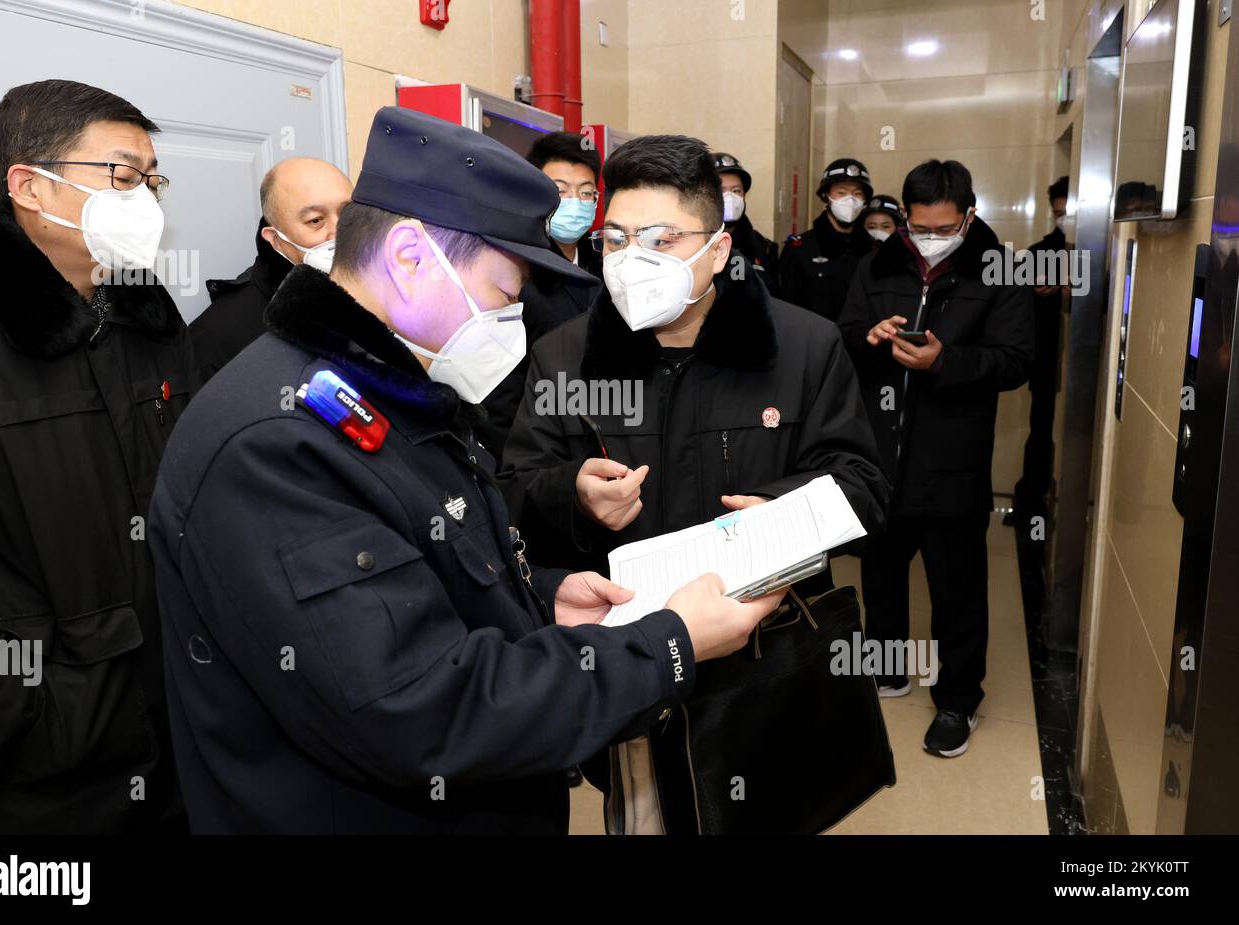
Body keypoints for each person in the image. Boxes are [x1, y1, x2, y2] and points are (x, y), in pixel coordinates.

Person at [146, 106, 783, 834]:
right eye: (504, 296)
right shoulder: (278, 445)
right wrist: (668, 643)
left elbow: (426, 570)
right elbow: (422, 709)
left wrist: (540, 600)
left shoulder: (394, 388)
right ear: (411, 258)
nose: (511, 322)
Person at [500, 134, 889, 831]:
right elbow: (515, 491)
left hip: (764, 664)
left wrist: (776, 511)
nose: (632, 260)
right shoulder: (565, 356)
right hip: (635, 664)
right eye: (616, 238)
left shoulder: (803, 347)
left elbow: (862, 484)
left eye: (660, 239)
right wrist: (574, 494)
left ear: (717, 250)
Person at [0, 79, 195, 832]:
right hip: (43, 768)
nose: (144, 199)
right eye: (121, 175)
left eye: (151, 180)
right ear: (28, 185)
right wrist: (25, 718)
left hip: (176, 724)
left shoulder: (147, 314)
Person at [837, 159, 1033, 758]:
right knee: (881, 572)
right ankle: (888, 668)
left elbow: (1016, 361)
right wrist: (870, 337)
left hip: (952, 460)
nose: (929, 239)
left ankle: (957, 699)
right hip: (881, 454)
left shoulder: (1000, 271)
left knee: (958, 588)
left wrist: (945, 362)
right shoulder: (877, 264)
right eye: (919, 228)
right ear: (904, 217)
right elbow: (845, 332)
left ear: (969, 217)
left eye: (944, 229)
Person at [478, 131, 603, 459]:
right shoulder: (514, 269)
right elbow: (499, 385)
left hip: (600, 430)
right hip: (534, 443)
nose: (574, 202)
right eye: (560, 191)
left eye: (585, 192)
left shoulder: (604, 259)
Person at [190, 157, 352, 378]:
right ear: (275, 239)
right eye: (315, 221)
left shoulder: (383, 294)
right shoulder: (218, 334)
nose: (340, 232)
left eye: (349, 214)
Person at [1010, 176, 1069, 524]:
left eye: (1069, 212)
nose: (1064, 219)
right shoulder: (1041, 252)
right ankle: (1031, 503)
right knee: (1042, 430)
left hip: (1093, 363)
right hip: (1047, 360)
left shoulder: (1111, 246)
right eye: (1058, 213)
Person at [777, 157, 875, 321]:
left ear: (865, 200)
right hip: (815, 336)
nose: (850, 200)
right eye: (841, 193)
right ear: (826, 196)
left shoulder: (872, 249)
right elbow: (788, 310)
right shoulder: (800, 249)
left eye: (857, 193)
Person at [712, 151, 778, 285]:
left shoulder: (763, 248)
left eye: (736, 191)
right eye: (720, 191)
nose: (729, 198)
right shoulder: (691, 245)